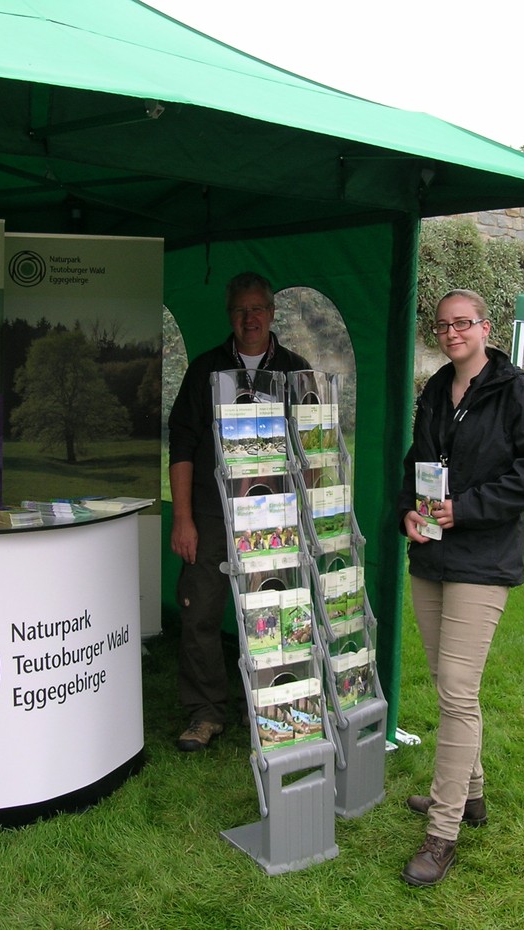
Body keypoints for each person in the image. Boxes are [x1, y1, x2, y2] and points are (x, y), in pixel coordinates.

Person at [396, 289, 524, 886]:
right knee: (448, 684)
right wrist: (407, 512)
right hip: (432, 555)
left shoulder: (517, 392)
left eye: (462, 323)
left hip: (482, 559)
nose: (452, 333)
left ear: (486, 327)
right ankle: (471, 795)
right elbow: (418, 461)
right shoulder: (437, 390)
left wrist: (465, 510)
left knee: (457, 691)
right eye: (443, 325)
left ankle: (442, 832)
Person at [167, 271, 312, 752]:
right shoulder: (206, 370)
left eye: (257, 309)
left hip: (275, 516)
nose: (249, 319)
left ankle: (273, 710)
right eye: (239, 310)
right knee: (200, 611)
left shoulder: (296, 370)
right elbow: (182, 446)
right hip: (212, 514)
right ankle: (206, 713)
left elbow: (314, 449)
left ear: (272, 313)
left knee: (274, 612)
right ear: (230, 315)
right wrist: (183, 518)